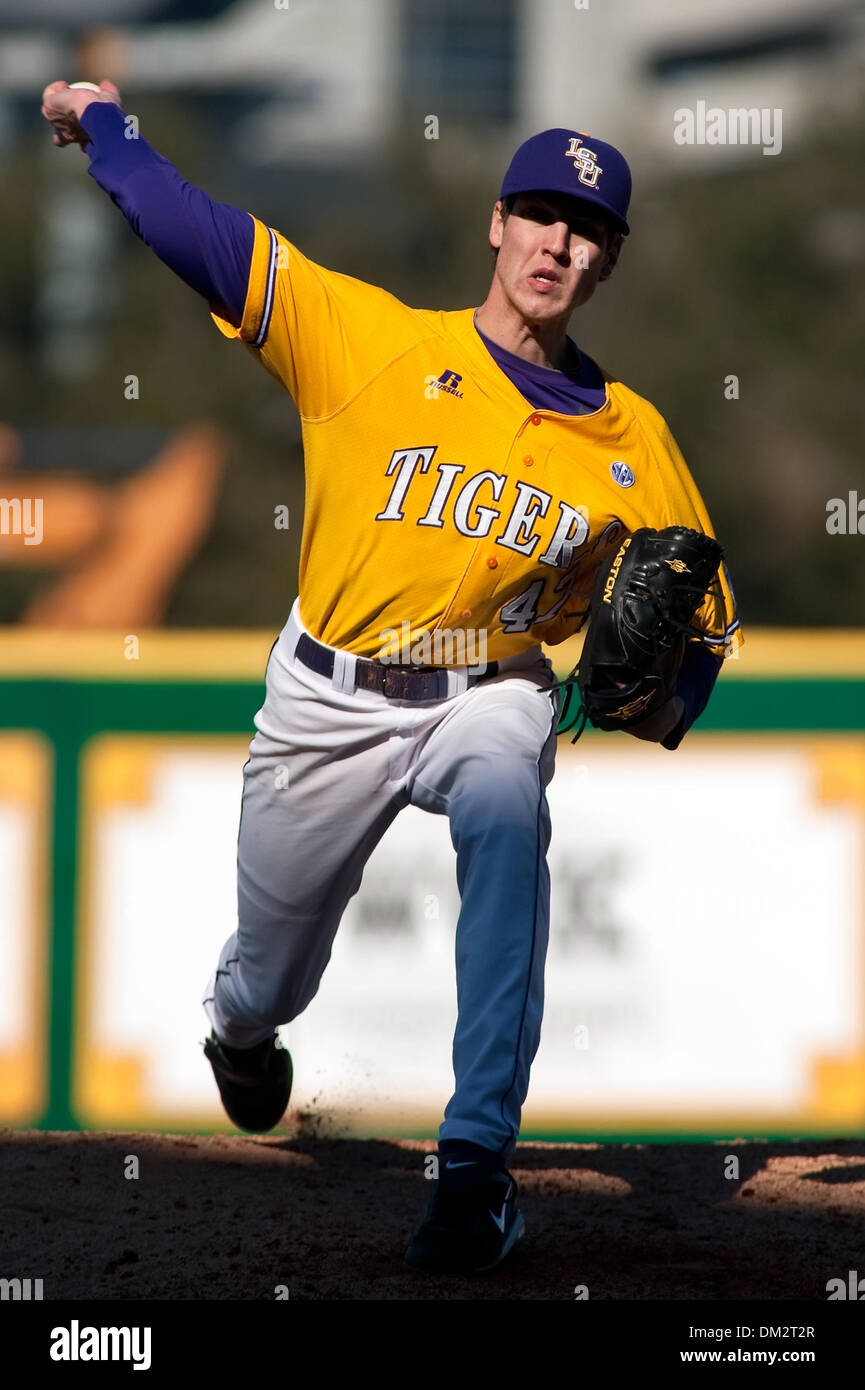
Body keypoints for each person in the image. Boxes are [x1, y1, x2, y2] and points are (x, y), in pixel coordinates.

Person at [41, 81, 742, 1276]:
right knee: (268, 977)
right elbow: (189, 224)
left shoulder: (635, 439)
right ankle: (241, 1032)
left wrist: (664, 697)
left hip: (492, 691)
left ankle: (473, 1169)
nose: (555, 241)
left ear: (605, 261)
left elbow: (707, 625)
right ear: (495, 224)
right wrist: (106, 126)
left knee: (505, 806)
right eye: (537, 212)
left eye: (584, 229)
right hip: (326, 694)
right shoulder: (367, 339)